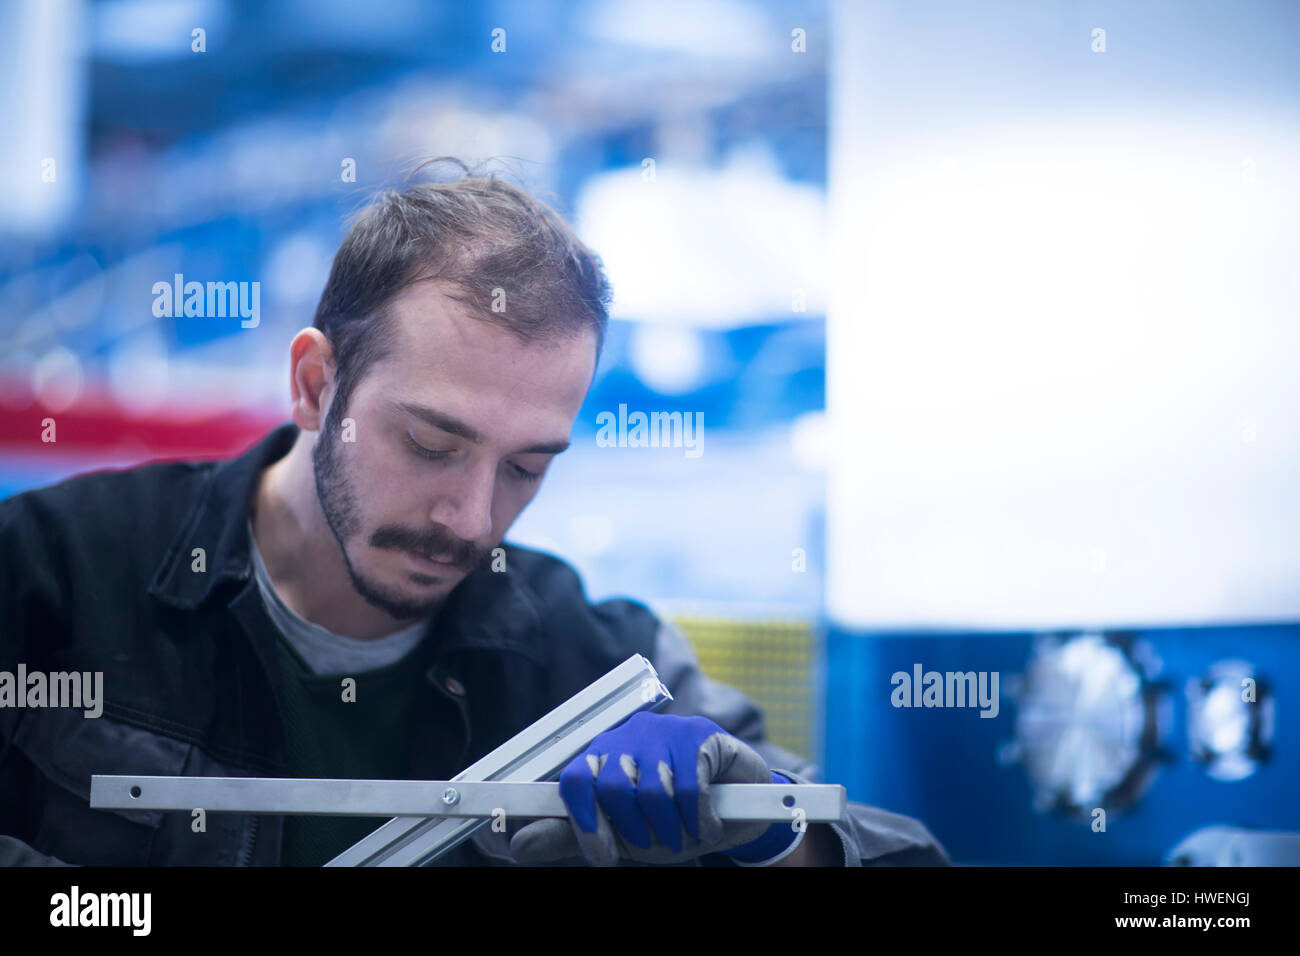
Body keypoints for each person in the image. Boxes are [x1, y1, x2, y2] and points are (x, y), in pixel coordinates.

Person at [0, 161, 949, 867]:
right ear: (315, 383)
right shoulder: (49, 579)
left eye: (527, 467)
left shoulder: (597, 668)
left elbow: (908, 857)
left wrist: (769, 831)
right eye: (429, 443)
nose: (468, 517)